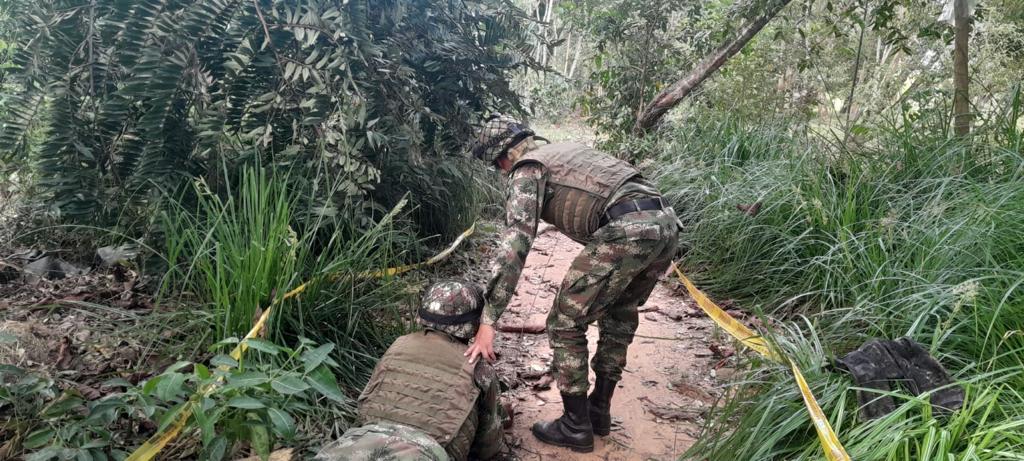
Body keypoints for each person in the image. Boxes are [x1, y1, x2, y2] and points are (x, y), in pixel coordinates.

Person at [466, 114, 680, 453]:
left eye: (499, 166)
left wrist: (488, 320)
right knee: (620, 314)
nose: (503, 171)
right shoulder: (562, 151)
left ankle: (575, 425)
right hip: (666, 223)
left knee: (566, 320)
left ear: (503, 157)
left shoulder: (527, 168)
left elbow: (515, 243)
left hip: (627, 228)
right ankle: (598, 411)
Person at [314, 281, 511, 461]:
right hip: (423, 452)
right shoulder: (478, 367)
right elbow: (488, 446)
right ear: (474, 325)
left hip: (357, 443)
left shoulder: (398, 347)